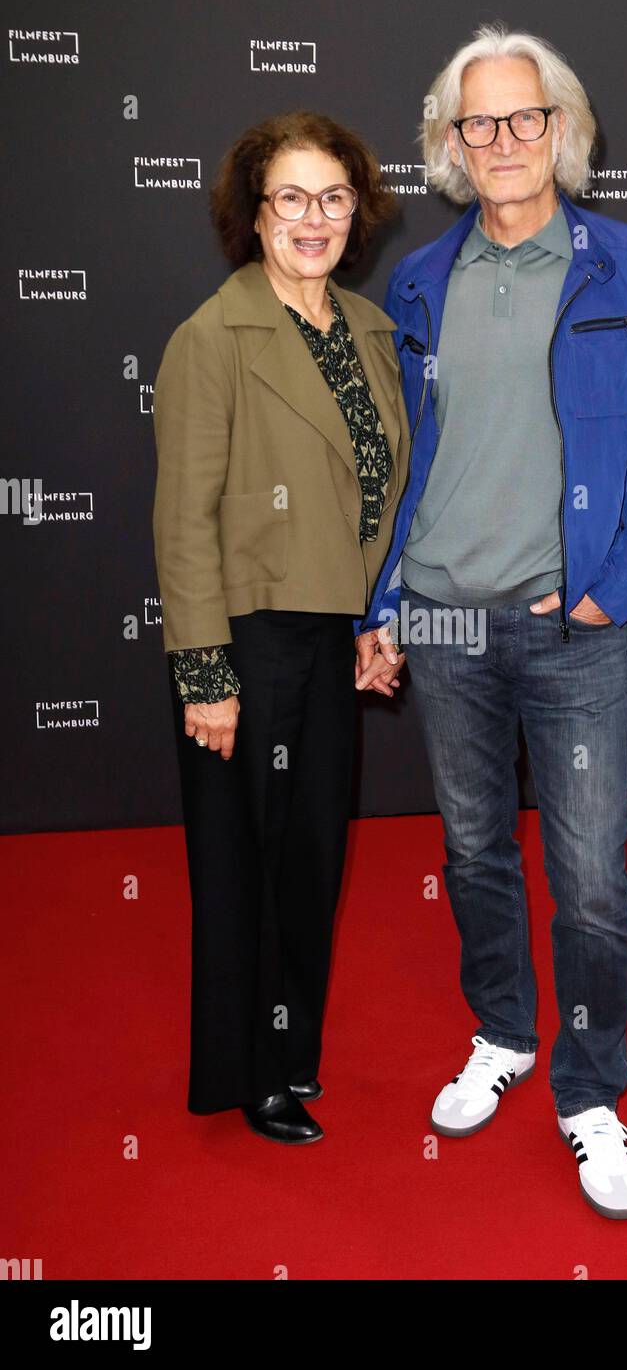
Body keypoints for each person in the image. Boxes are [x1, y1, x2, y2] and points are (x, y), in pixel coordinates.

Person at [355, 25, 627, 1217]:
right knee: (470, 852)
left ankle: (588, 1087)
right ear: (449, 145)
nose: (503, 142)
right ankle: (503, 1030)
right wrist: (387, 601)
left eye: (524, 119)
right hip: (446, 626)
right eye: (478, 124)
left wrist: (615, 587)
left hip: (575, 630)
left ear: (560, 129)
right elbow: (399, 463)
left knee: (592, 880)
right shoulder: (416, 283)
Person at [152, 111, 408, 1145]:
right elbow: (182, 519)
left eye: (334, 197)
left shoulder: (369, 330)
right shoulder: (212, 338)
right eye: (292, 198)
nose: (315, 217)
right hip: (246, 641)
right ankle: (245, 1070)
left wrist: (371, 616)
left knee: (310, 858)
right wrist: (205, 672)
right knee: (242, 862)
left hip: (326, 631)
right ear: (254, 217)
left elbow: (377, 489)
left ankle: (291, 1048)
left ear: (359, 210)